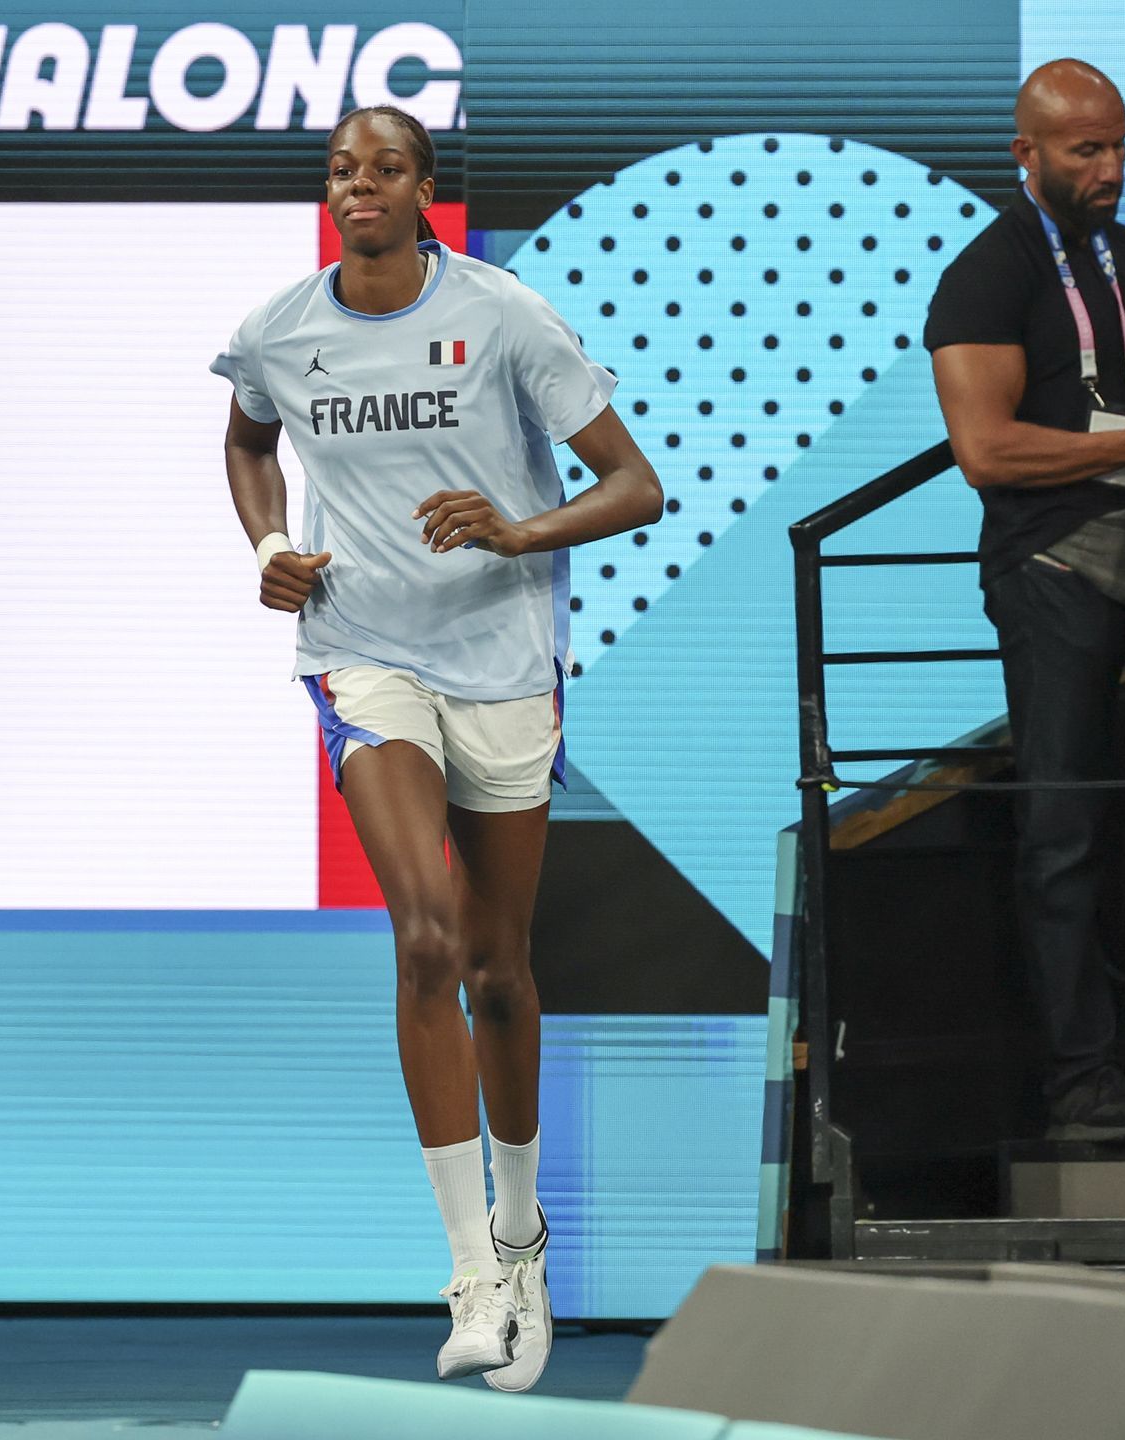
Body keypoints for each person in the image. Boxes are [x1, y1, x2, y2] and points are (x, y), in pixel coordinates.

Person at [212, 105, 663, 1392]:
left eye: (387, 171)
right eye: (344, 171)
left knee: (499, 967)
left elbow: (634, 486)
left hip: (506, 664)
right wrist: (266, 546)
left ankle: (524, 1241)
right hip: (364, 656)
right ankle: (469, 1270)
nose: (362, 188)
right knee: (423, 937)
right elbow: (246, 440)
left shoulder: (505, 316)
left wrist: (518, 532)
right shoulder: (277, 330)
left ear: (423, 192)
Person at [926, 59, 1125, 1144]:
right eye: (1082, 151)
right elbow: (982, 449)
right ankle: (1079, 1083)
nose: (1108, 168)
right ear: (1027, 155)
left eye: (1116, 144)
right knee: (1062, 828)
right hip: (1053, 562)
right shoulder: (987, 273)